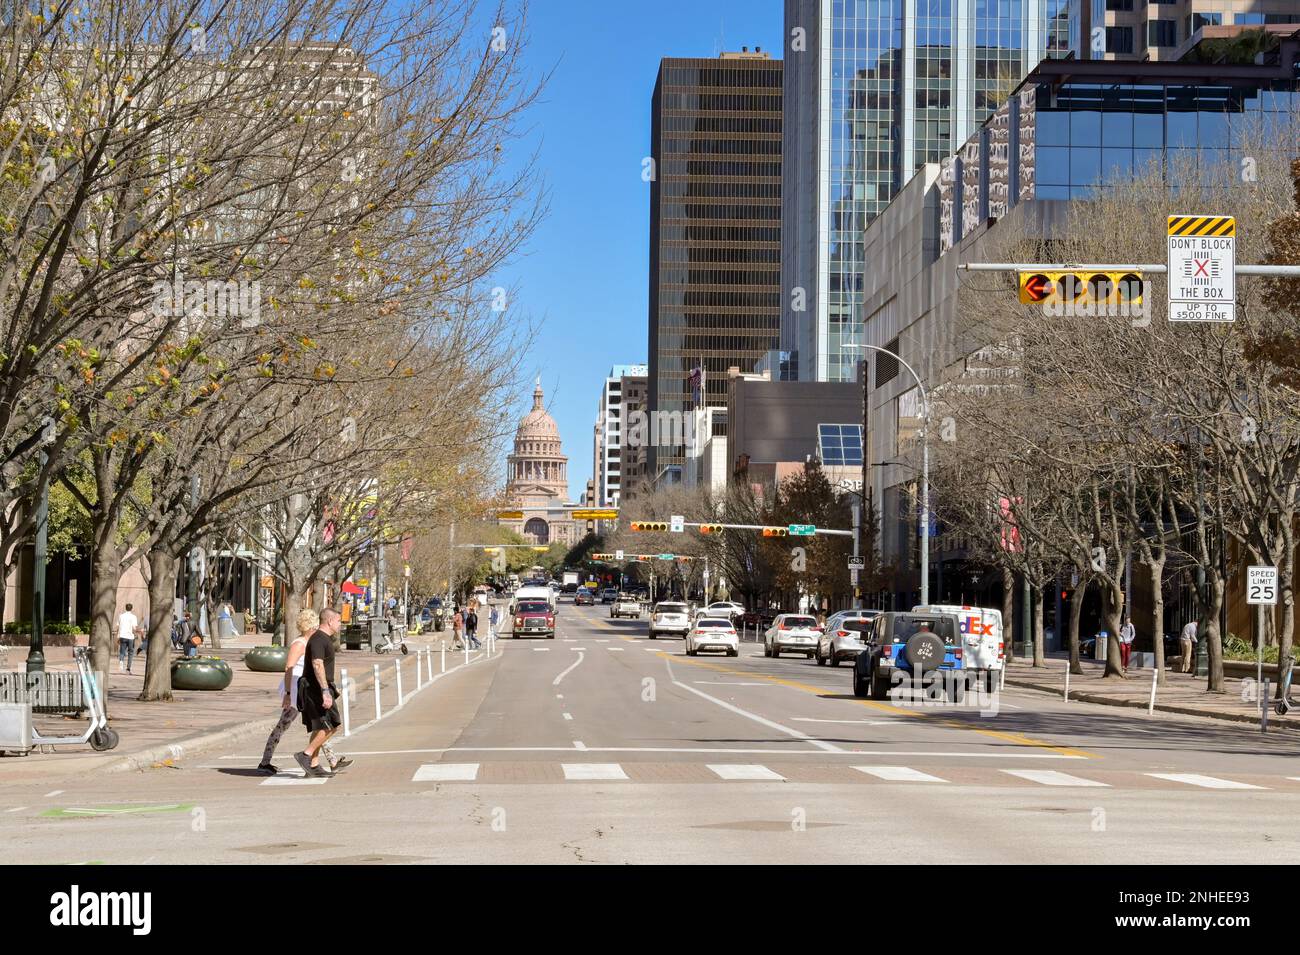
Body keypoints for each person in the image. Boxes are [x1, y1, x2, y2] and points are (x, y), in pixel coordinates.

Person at [258, 609, 349, 776]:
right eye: (314, 625)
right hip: (296, 688)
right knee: (287, 724)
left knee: (321, 724)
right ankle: (267, 761)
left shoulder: (314, 641)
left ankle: (324, 762)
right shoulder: (301, 643)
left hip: (308, 687)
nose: (316, 627)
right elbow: (289, 668)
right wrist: (287, 693)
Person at [294, 608, 346, 778]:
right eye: (339, 621)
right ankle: (306, 755)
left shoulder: (322, 639)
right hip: (316, 689)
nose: (340, 624)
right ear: (330, 621)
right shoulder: (318, 639)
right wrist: (325, 691)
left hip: (320, 688)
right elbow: (317, 664)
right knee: (332, 725)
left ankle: (314, 765)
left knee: (320, 728)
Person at [117, 603, 139, 673]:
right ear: (131, 609)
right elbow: (134, 628)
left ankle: (121, 661)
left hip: (122, 636)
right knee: (130, 653)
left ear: (125, 608)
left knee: (122, 651)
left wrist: (118, 636)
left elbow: (118, 626)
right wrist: (138, 632)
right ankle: (128, 668)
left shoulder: (121, 616)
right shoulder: (133, 617)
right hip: (130, 637)